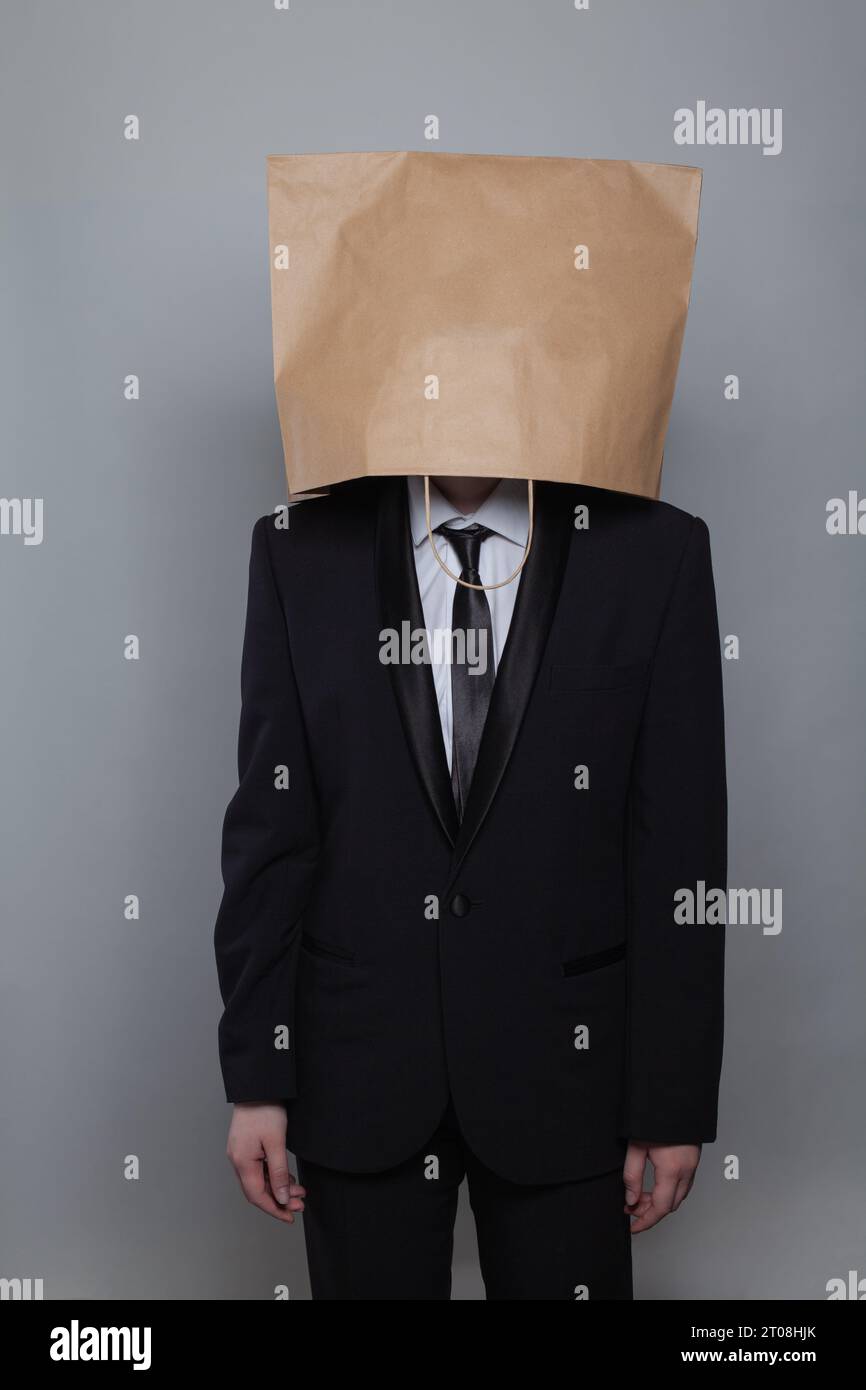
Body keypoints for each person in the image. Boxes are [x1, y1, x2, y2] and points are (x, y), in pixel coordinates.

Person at [213, 464, 727, 1300]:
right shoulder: (298, 550)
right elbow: (273, 832)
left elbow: (681, 850)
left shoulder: (653, 551)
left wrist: (670, 1102)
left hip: (568, 1071)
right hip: (358, 1066)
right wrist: (258, 1078)